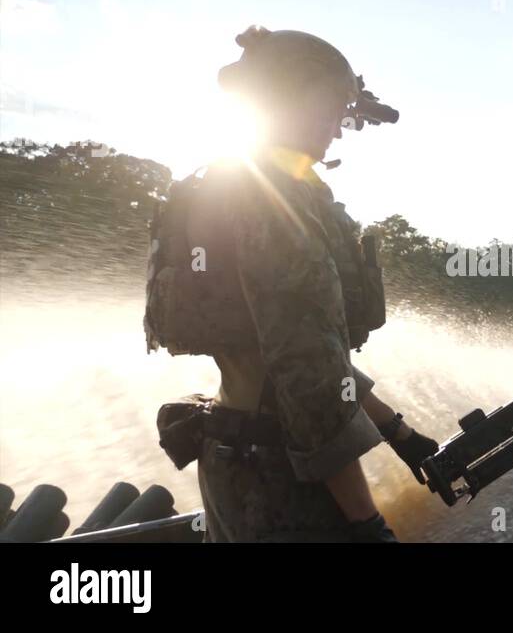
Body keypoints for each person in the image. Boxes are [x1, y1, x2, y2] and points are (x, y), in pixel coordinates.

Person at [145, 26, 438, 542]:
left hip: (231, 457)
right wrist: (366, 523)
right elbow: (309, 375)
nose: (340, 129)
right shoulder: (277, 201)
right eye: (332, 110)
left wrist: (399, 432)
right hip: (279, 478)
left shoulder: (228, 182)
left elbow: (292, 352)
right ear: (289, 103)